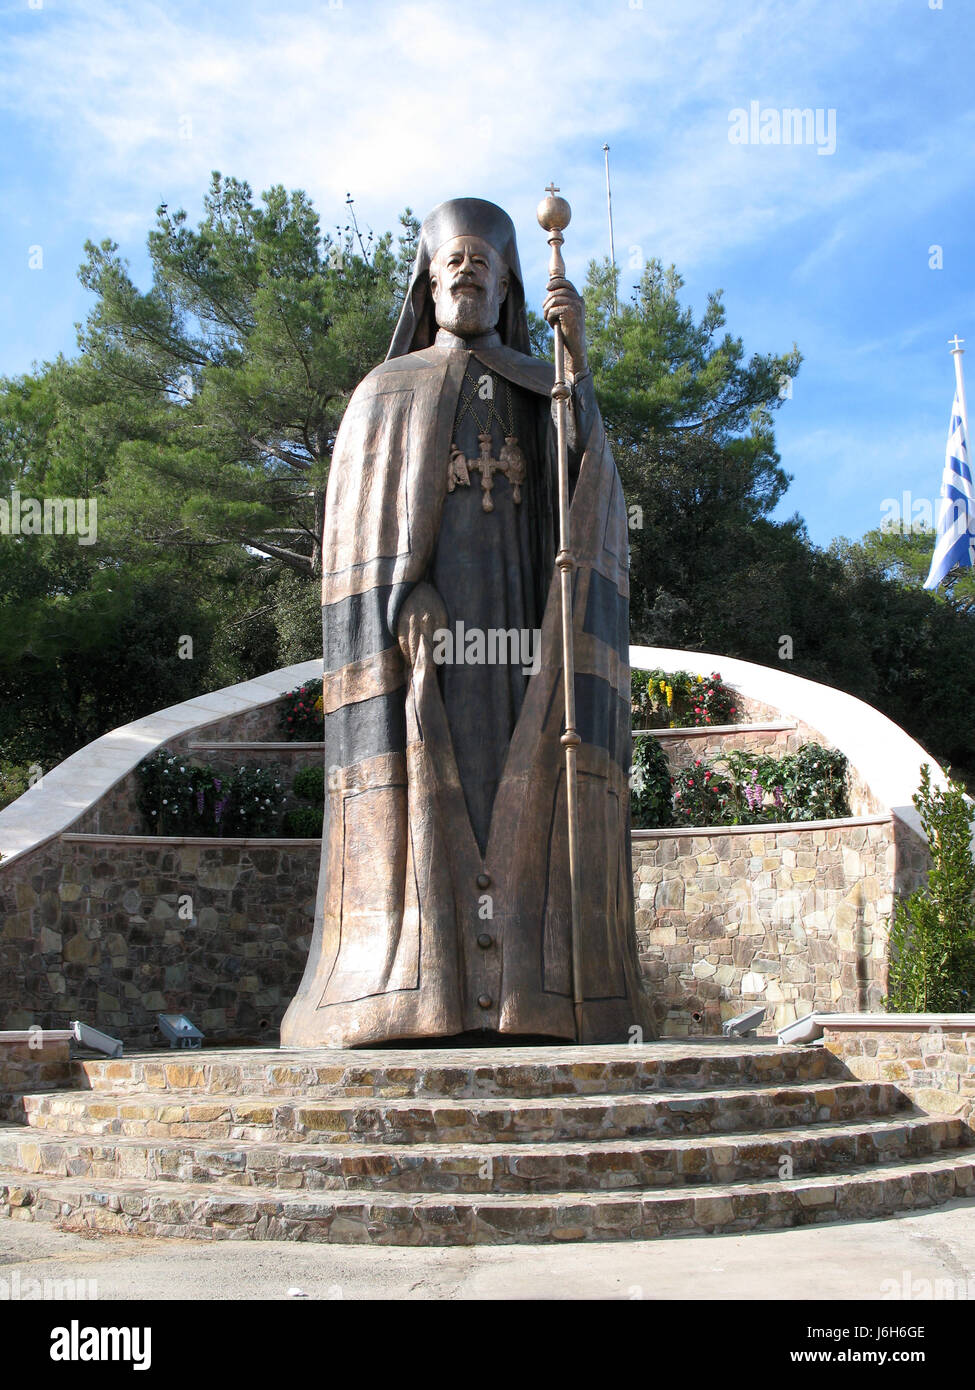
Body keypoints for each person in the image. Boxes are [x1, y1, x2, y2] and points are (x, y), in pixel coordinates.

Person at [280, 197, 652, 1047]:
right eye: (453, 264)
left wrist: (577, 368)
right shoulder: (385, 393)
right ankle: (414, 987)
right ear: (429, 283)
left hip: (526, 639)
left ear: (508, 285)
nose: (467, 276)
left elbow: (587, 493)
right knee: (429, 790)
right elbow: (356, 541)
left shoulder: (543, 385)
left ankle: (544, 994)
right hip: (430, 644)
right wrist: (398, 597)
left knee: (523, 789)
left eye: (483, 265)